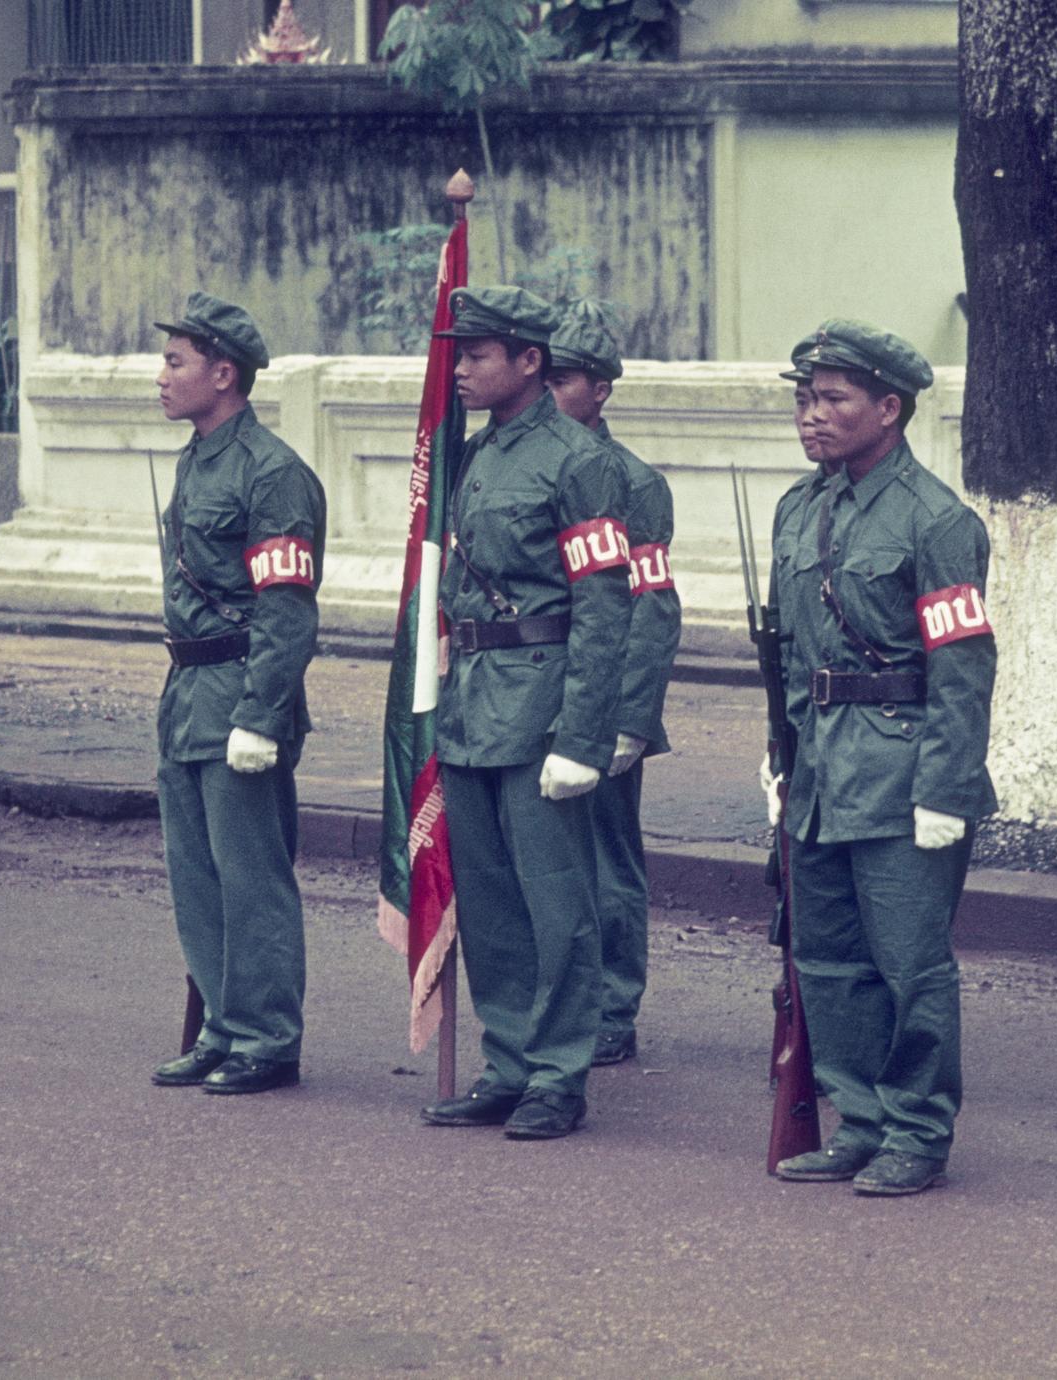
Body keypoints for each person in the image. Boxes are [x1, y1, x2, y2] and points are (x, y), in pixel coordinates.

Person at [763, 320, 996, 1197]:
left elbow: (963, 668)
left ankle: (917, 1131)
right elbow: (793, 655)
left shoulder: (937, 521)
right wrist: (783, 761)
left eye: (833, 399)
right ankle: (859, 1121)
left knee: (909, 966)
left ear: (889, 409)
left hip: (902, 774)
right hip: (821, 773)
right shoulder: (799, 509)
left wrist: (947, 789)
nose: (812, 415)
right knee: (828, 960)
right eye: (804, 399)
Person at [415, 285, 632, 1140]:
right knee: (492, 906)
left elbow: (604, 609)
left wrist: (583, 737)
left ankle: (557, 1074)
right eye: (458, 355)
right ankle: (507, 1064)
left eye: (477, 355)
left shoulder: (578, 462)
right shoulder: (473, 454)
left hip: (541, 705)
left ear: (529, 361)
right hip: (472, 702)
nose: (461, 370)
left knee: (556, 906)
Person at [148, 291, 326, 1097]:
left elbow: (287, 609)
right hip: (188, 687)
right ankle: (222, 1026)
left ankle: (266, 1038)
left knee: (251, 878)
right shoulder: (198, 457)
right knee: (198, 877)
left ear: (224, 374)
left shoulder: (273, 473)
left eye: (175, 362)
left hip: (240, 689)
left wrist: (260, 715)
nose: (162, 377)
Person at [543, 305, 682, 1068]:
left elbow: (651, 606)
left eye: (563, 380)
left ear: (600, 391)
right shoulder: (520, 465)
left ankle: (610, 1007)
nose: (549, 392)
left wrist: (630, 718)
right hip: (529, 698)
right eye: (543, 377)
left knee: (605, 864)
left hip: (599, 705)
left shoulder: (632, 483)